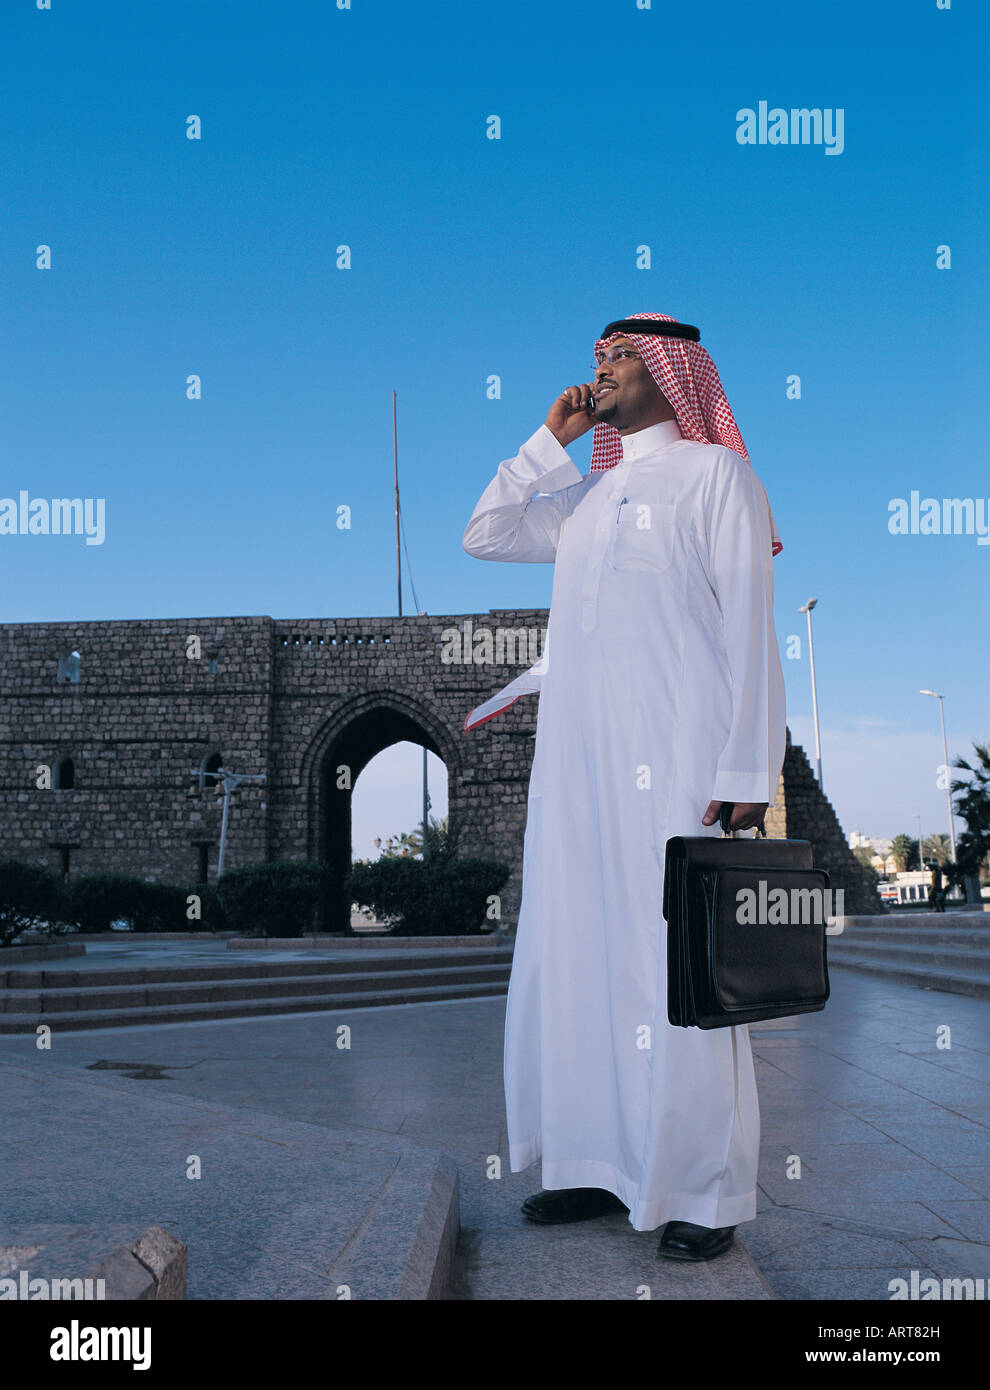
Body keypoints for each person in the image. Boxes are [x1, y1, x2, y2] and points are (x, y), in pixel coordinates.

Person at [462, 312, 786, 1261]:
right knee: (577, 951)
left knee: (675, 967)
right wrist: (546, 443)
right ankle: (594, 1164)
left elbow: (750, 630)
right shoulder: (585, 501)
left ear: (677, 375)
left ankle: (701, 1191)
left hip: (679, 757)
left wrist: (744, 768)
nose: (602, 367)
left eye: (622, 355)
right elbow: (484, 532)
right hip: (578, 766)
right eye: (597, 355)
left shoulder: (719, 476)